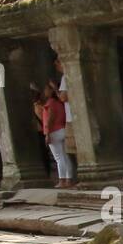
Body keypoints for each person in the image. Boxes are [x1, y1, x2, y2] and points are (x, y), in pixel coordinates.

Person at [41, 80, 74, 188]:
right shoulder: (60, 103)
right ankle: (69, 180)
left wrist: (47, 133)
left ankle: (62, 181)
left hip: (54, 131)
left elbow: (50, 118)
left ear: (51, 91)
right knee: (66, 156)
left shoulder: (50, 103)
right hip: (62, 129)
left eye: (46, 89)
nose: (44, 91)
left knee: (59, 158)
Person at [54, 56, 77, 186]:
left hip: (72, 117)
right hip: (72, 116)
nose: (57, 67)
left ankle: (73, 178)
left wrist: (55, 90)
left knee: (72, 149)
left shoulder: (65, 76)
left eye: (57, 64)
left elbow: (63, 97)